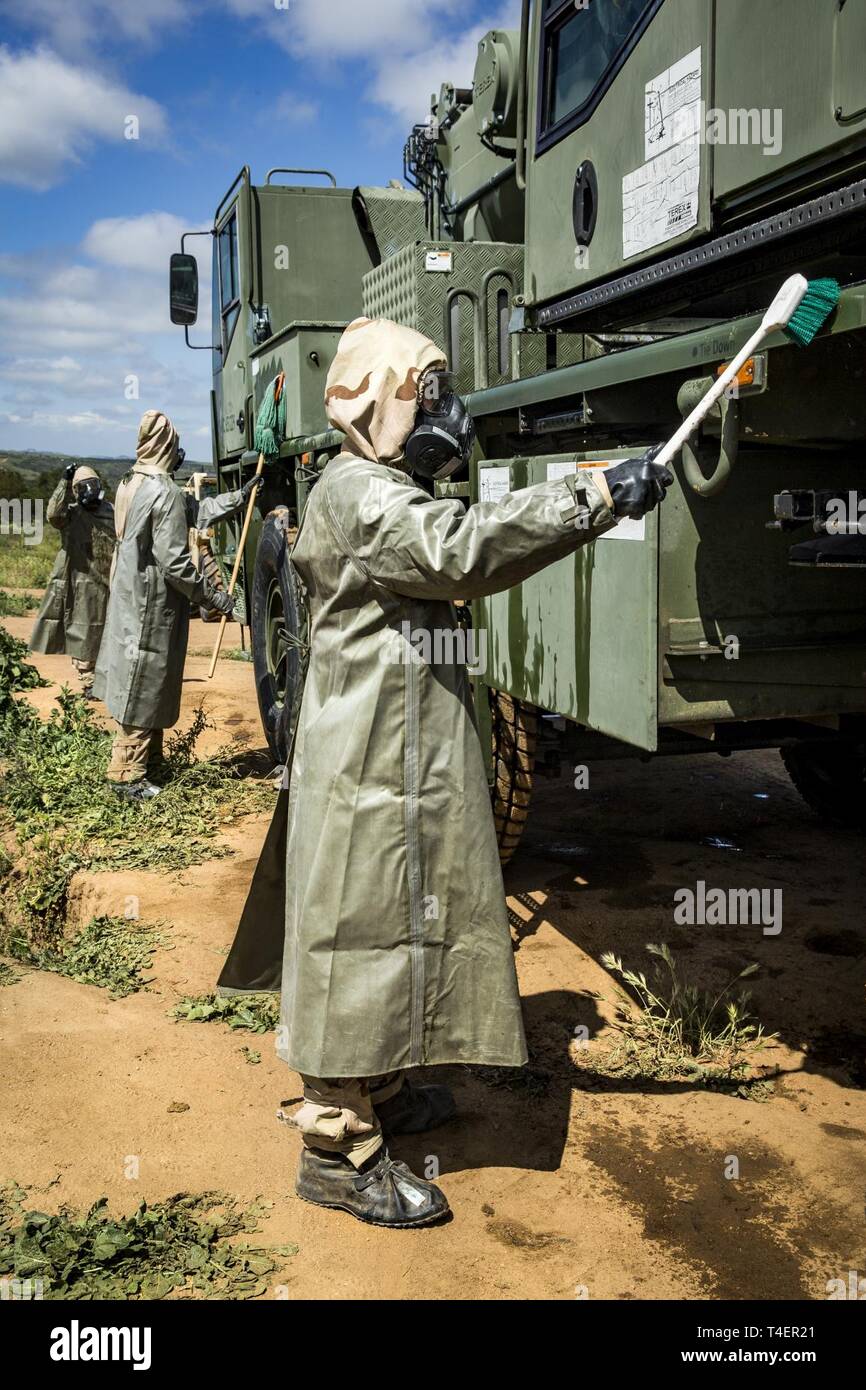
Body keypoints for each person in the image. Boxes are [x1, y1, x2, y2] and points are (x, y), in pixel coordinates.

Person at [220, 318, 673, 1228]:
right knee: (355, 931)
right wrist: (592, 497)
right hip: (366, 761)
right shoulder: (361, 495)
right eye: (427, 393)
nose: (446, 413)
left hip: (397, 750)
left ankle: (377, 1087)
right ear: (377, 398)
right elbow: (458, 550)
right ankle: (338, 1149)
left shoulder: (371, 485)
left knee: (394, 915)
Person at [93, 410, 248, 801]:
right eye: (175, 445)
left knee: (146, 683)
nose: (179, 453)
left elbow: (193, 511)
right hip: (150, 604)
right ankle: (126, 777)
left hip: (131, 595)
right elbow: (176, 563)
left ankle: (150, 765)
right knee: (142, 683)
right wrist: (215, 597)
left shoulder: (131, 481)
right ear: (165, 445)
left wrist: (240, 497)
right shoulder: (162, 490)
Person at [29, 464, 115, 698]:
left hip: (112, 582)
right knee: (83, 633)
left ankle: (106, 678)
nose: (90, 491)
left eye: (93, 485)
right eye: (82, 487)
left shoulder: (111, 511)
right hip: (82, 584)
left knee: (111, 632)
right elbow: (53, 515)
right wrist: (64, 483)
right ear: (75, 491)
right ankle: (89, 682)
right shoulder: (72, 514)